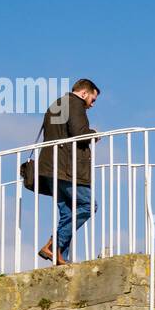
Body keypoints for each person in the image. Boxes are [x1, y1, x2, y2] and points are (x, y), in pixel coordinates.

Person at [36, 78, 101, 264]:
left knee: (67, 213)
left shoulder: (56, 104)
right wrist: (94, 135)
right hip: (67, 168)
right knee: (88, 205)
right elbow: (79, 133)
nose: (92, 104)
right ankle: (52, 246)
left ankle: (60, 259)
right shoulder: (75, 104)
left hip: (50, 167)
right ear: (84, 93)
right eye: (92, 100)